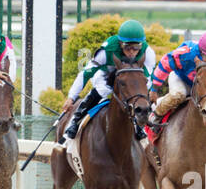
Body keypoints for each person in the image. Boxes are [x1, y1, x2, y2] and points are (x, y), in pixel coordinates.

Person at [53, 19, 156, 154]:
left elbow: (146, 80)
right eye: (127, 47)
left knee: (139, 97)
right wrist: (71, 97)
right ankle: (73, 125)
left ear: (141, 45)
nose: (132, 52)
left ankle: (143, 129)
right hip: (106, 73)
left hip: (131, 77)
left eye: (136, 48)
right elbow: (85, 74)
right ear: (120, 43)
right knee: (102, 90)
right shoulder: (107, 50)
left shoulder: (148, 53)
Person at [149, 30, 206, 126]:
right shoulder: (186, 54)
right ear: (201, 52)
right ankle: (155, 117)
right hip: (182, 78)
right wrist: (154, 90)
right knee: (178, 95)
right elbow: (164, 64)